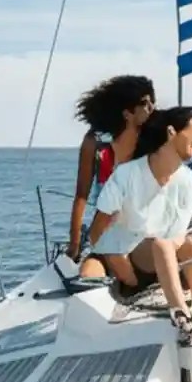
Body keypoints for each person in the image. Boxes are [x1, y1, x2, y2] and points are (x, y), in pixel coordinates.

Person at [82, 107, 192, 348]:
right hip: (127, 258)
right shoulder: (127, 175)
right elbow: (97, 232)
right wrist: (116, 261)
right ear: (171, 132)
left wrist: (166, 246)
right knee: (93, 271)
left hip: (163, 255)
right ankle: (183, 318)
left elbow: (178, 234)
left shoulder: (189, 181)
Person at [67, 75, 156, 265]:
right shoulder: (96, 142)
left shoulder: (152, 141)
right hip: (105, 230)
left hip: (145, 230)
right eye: (144, 103)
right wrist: (74, 244)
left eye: (152, 102)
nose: (151, 108)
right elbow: (81, 195)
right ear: (127, 112)